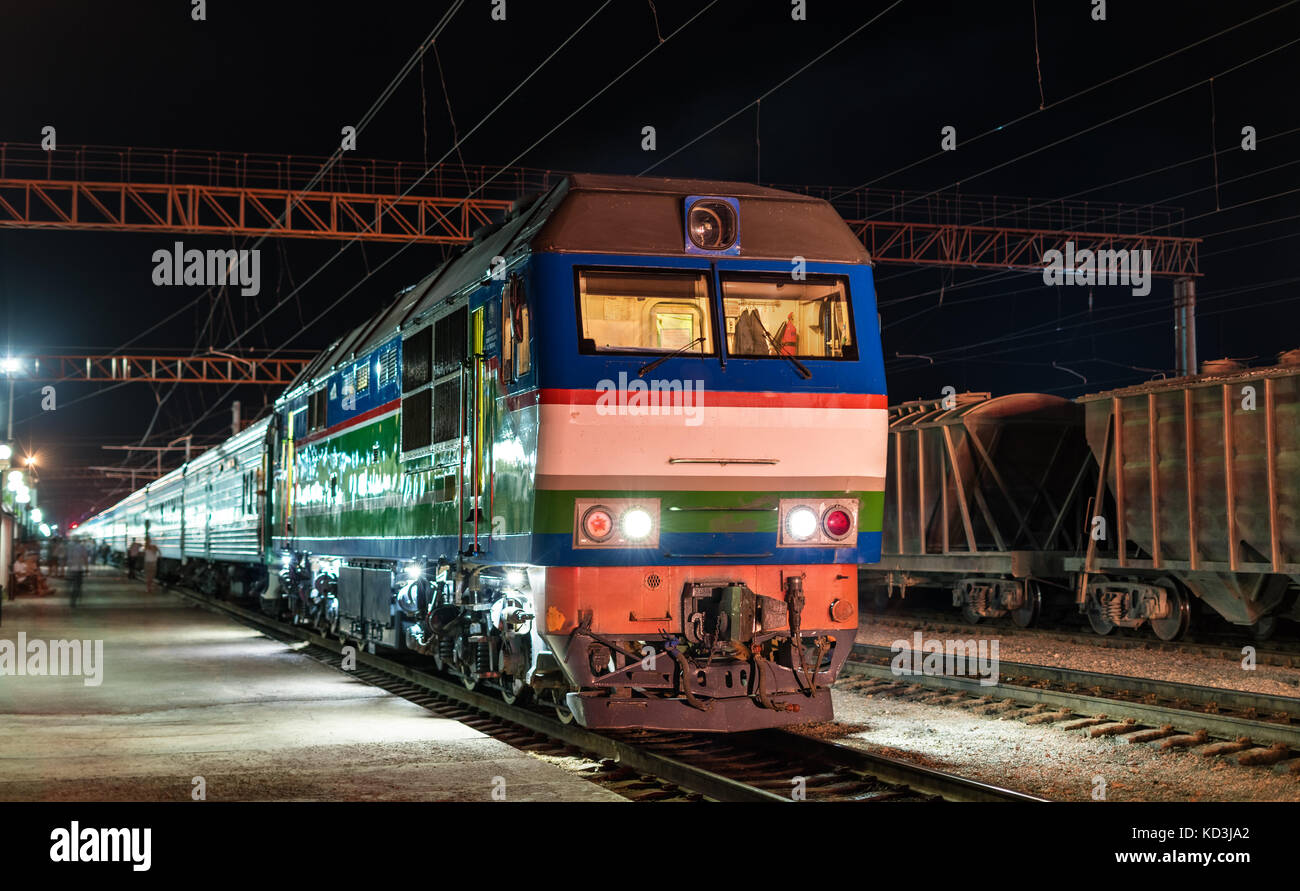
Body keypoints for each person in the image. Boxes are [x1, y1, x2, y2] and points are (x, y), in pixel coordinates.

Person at [67, 537, 88, 608]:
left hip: (71, 569)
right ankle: (75, 598)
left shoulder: (69, 547)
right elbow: (85, 558)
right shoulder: (82, 547)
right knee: (78, 585)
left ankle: (72, 600)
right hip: (79, 569)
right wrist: (87, 568)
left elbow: (67, 557)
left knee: (72, 585)